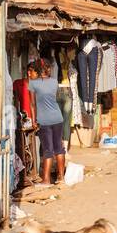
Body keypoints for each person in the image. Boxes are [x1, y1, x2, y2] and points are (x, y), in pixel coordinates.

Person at [28, 59, 67, 187]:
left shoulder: (33, 84)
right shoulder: (54, 82)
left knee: (48, 150)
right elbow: (51, 98)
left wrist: (34, 121)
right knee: (59, 148)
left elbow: (33, 104)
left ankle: (46, 180)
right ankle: (61, 178)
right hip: (57, 118)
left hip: (44, 120)